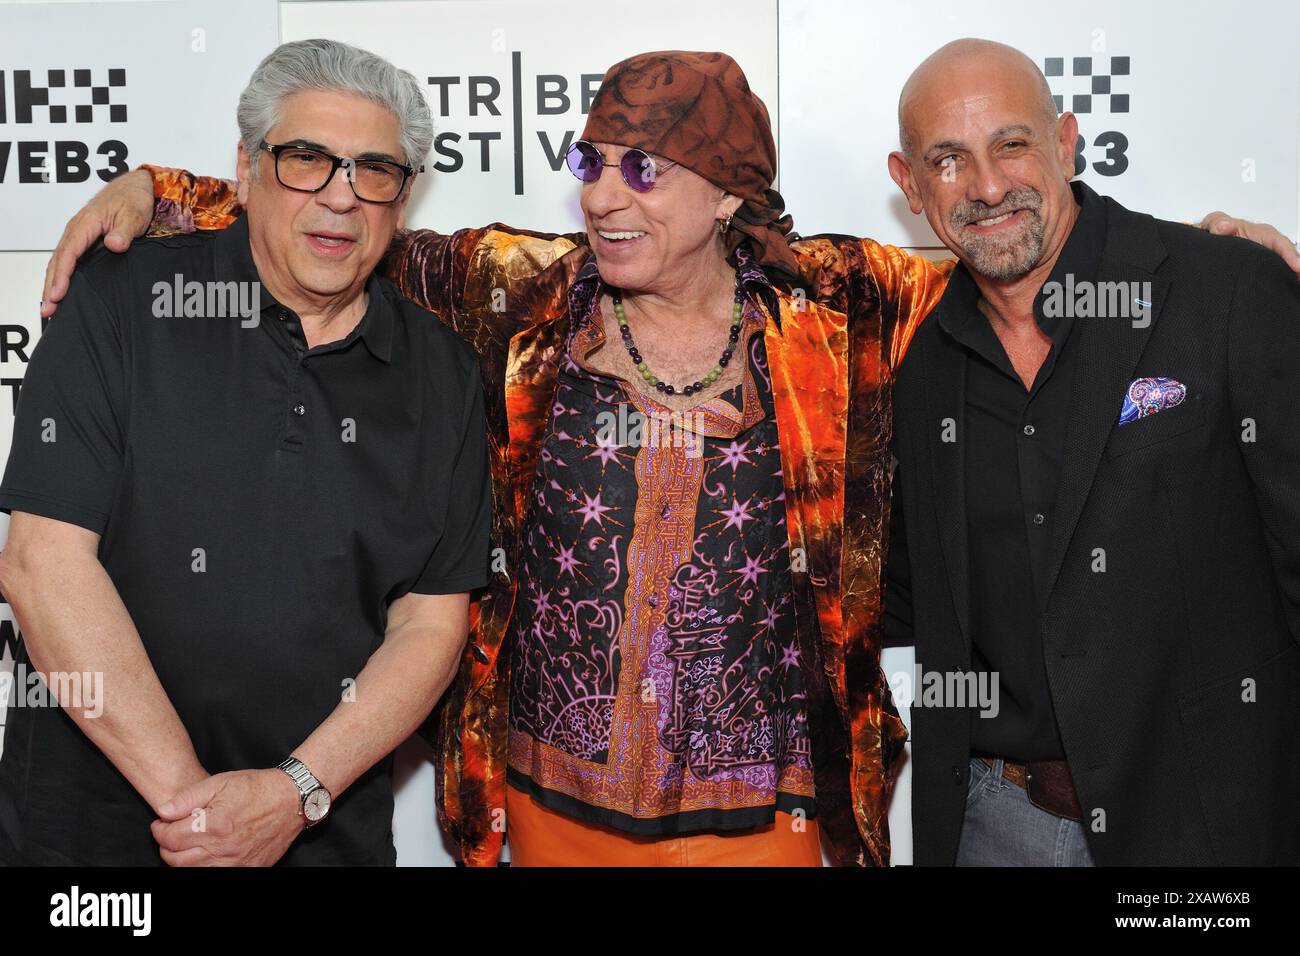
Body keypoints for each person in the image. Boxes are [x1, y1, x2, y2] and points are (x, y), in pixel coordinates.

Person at [37, 47, 1297, 867]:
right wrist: (153, 186)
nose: (601, 195)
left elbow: (1018, 236)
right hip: (544, 804)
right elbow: (328, 207)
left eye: (644, 170)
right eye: (591, 162)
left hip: (769, 821)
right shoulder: (511, 286)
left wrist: (1209, 250)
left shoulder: (849, 305)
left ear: (727, 197)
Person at [0, 39, 491, 866]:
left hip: (323, 834)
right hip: (87, 842)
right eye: (307, 159)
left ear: (402, 199)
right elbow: (42, 567)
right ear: (245, 166)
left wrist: (293, 796)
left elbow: (430, 621)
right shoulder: (122, 300)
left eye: (374, 171)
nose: (341, 199)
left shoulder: (443, 368)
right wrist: (201, 814)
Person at [884, 38, 1300, 865]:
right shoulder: (922, 367)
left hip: (1213, 828)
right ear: (909, 183)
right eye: (949, 159)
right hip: (994, 827)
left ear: (1068, 143)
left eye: (1012, 144)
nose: (989, 186)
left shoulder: (1225, 291)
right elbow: (911, 611)